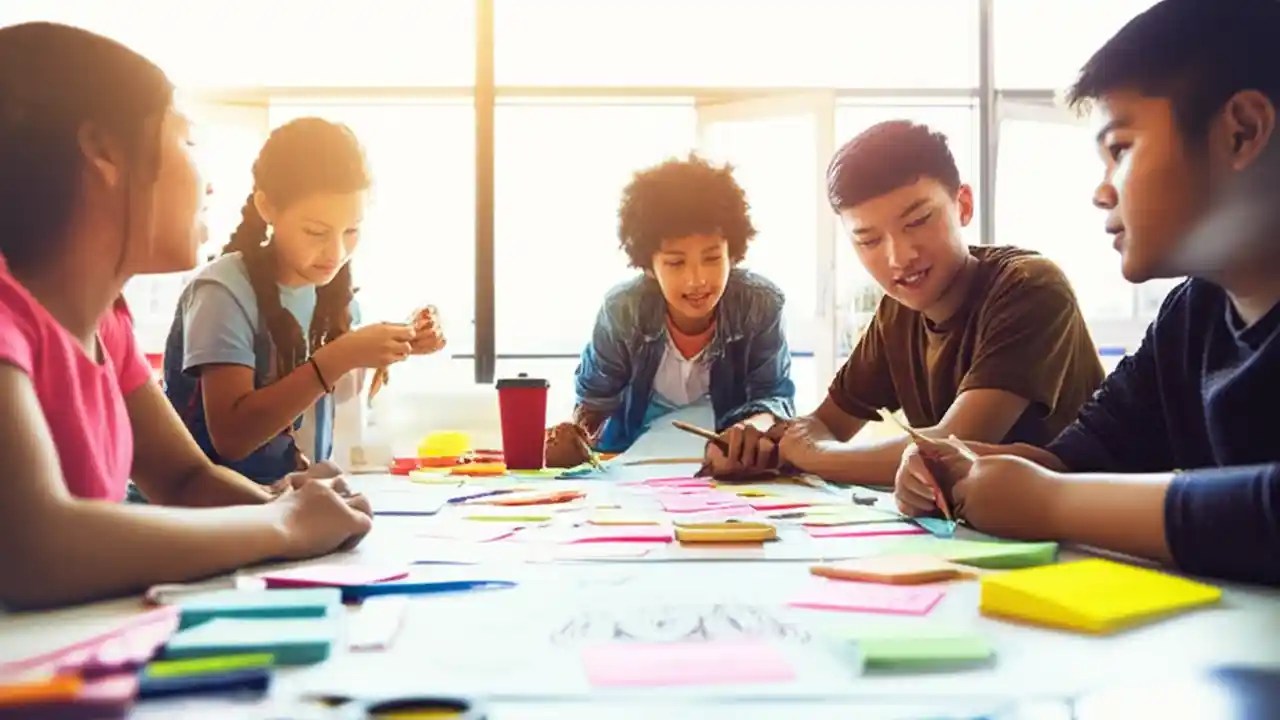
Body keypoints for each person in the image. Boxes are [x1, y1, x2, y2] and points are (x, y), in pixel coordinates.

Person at [893, 0, 1280, 586]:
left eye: (1120, 149)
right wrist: (960, 466)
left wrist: (1051, 503)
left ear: (1240, 131)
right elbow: (1075, 458)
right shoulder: (1191, 315)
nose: (1102, 192)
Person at [0, 23, 371, 610]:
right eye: (188, 141)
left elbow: (185, 481)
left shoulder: (108, 325)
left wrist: (298, 510)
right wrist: (284, 525)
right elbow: (31, 545)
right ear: (105, 152)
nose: (209, 182)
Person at [707, 121, 1104, 484]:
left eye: (917, 221)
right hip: (978, 531)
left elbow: (950, 447)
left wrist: (813, 456)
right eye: (869, 240)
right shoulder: (898, 312)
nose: (899, 257)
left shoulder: (1029, 286)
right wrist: (757, 448)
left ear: (962, 205)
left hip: (1088, 528)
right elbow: (824, 424)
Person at [162, 118, 445, 484]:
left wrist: (400, 341)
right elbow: (232, 437)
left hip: (287, 503)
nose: (336, 251)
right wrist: (343, 354)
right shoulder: (221, 292)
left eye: (352, 230)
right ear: (267, 207)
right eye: (315, 231)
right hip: (207, 513)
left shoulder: (333, 292)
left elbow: (335, 392)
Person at [549, 155, 794, 462]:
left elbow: (773, 398)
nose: (697, 280)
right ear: (648, 265)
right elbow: (594, 402)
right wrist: (574, 438)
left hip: (721, 467)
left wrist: (749, 431)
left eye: (712, 258)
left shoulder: (760, 305)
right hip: (631, 460)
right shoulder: (623, 310)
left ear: (733, 253)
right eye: (676, 263)